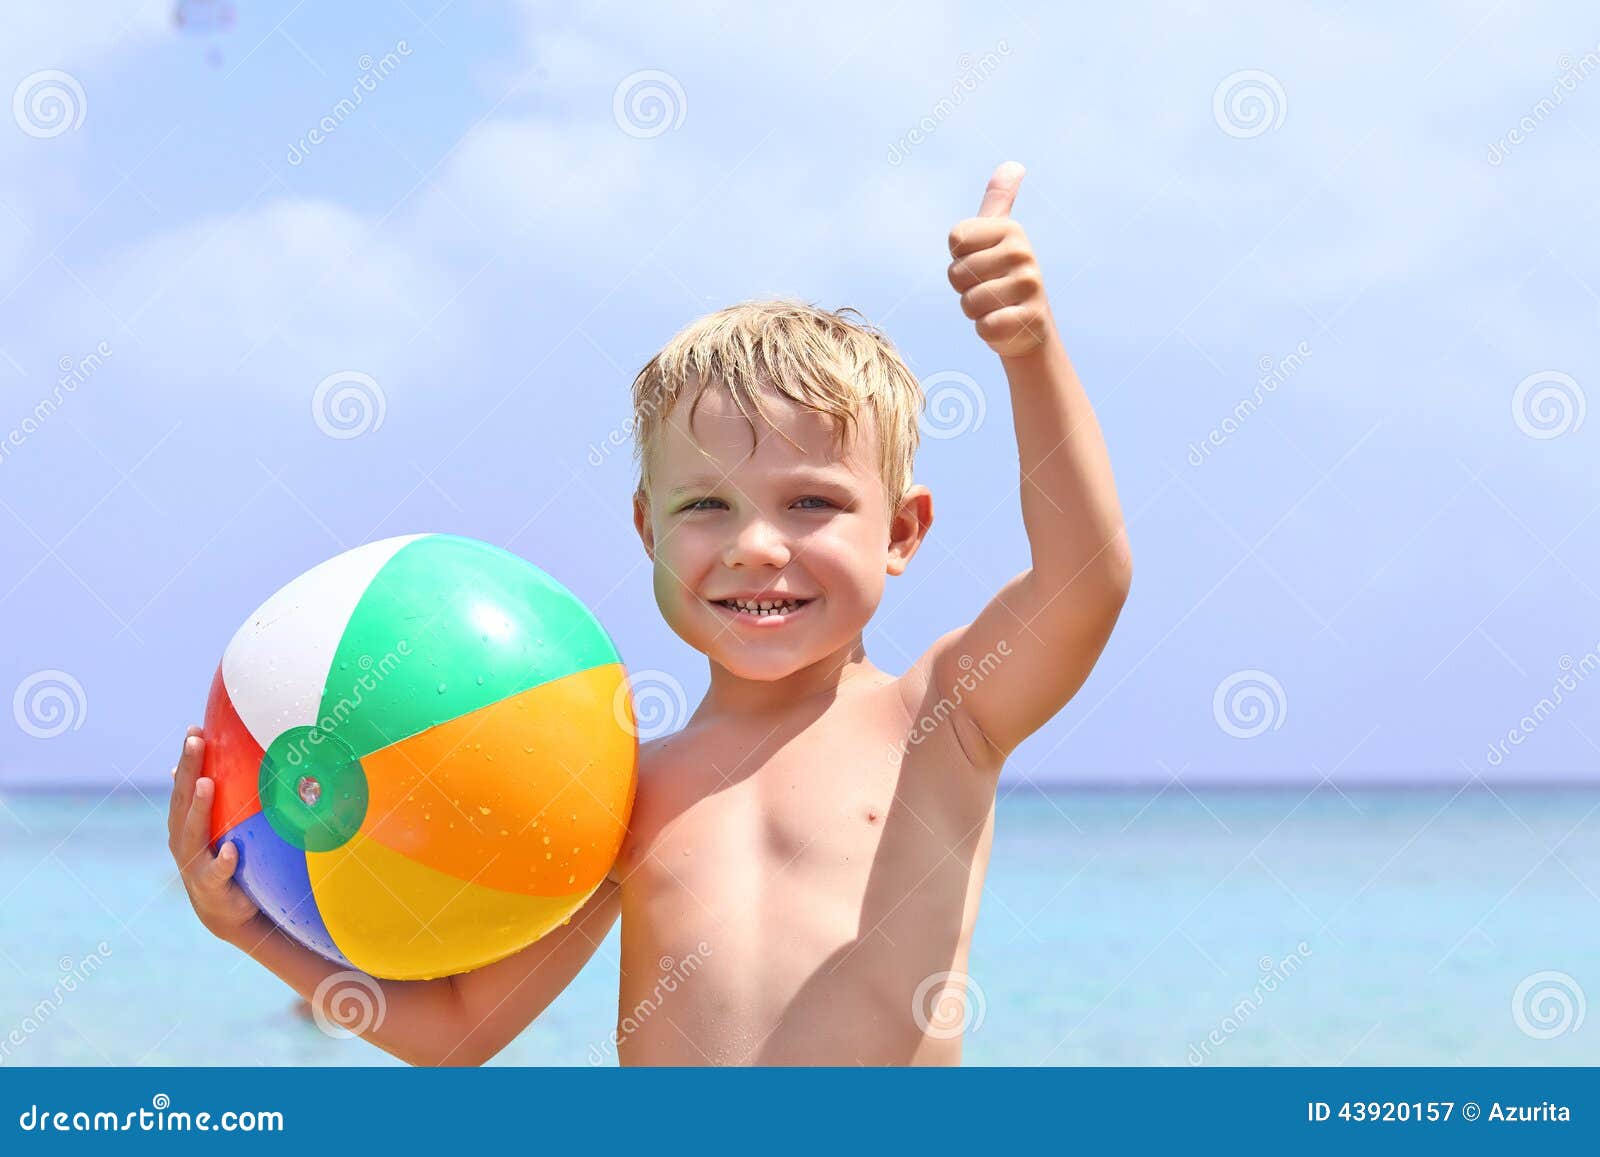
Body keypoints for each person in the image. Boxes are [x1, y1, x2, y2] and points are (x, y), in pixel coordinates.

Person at [167, 161, 1132, 1065]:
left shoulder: (940, 719)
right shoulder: (615, 788)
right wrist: (251, 928)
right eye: (706, 505)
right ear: (646, 530)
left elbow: (1086, 574)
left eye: (812, 502)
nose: (756, 543)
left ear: (903, 531)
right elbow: (457, 1032)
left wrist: (1028, 350)